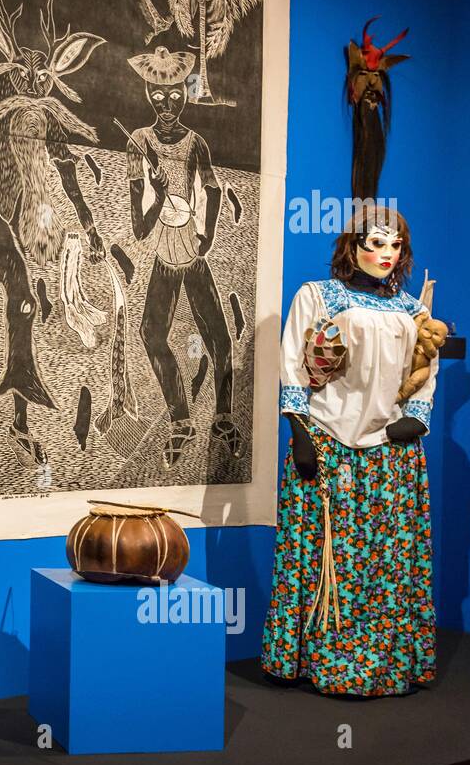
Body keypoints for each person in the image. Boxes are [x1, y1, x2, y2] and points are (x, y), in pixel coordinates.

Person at [261, 205, 438, 697]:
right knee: (325, 556)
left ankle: (385, 664)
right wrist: (297, 429)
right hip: (327, 441)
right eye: (375, 243)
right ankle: (315, 661)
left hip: (390, 450)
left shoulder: (412, 309)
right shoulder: (318, 296)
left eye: (394, 245)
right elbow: (294, 360)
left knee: (385, 561)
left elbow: (425, 366)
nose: (385, 253)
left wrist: (417, 417)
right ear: (352, 246)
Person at [125, 46, 239, 470]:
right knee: (152, 334)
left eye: (175, 95)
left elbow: (212, 189)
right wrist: (156, 197)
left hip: (190, 249)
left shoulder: (197, 144)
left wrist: (206, 234)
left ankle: (223, 418)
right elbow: (139, 226)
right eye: (158, 95)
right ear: (148, 94)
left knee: (221, 339)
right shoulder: (138, 142)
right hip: (164, 251)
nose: (168, 104)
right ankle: (181, 419)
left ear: (186, 95)